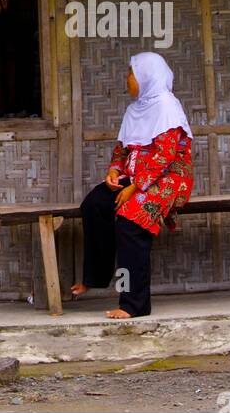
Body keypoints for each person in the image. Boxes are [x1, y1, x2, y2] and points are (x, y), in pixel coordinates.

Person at [71, 51, 194, 319]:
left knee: (129, 222)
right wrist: (114, 172)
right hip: (135, 176)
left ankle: (133, 304)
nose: (127, 78)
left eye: (131, 73)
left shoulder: (167, 107)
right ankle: (95, 277)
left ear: (147, 76)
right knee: (94, 204)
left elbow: (165, 156)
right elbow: (122, 149)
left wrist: (135, 186)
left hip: (169, 179)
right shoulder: (134, 109)